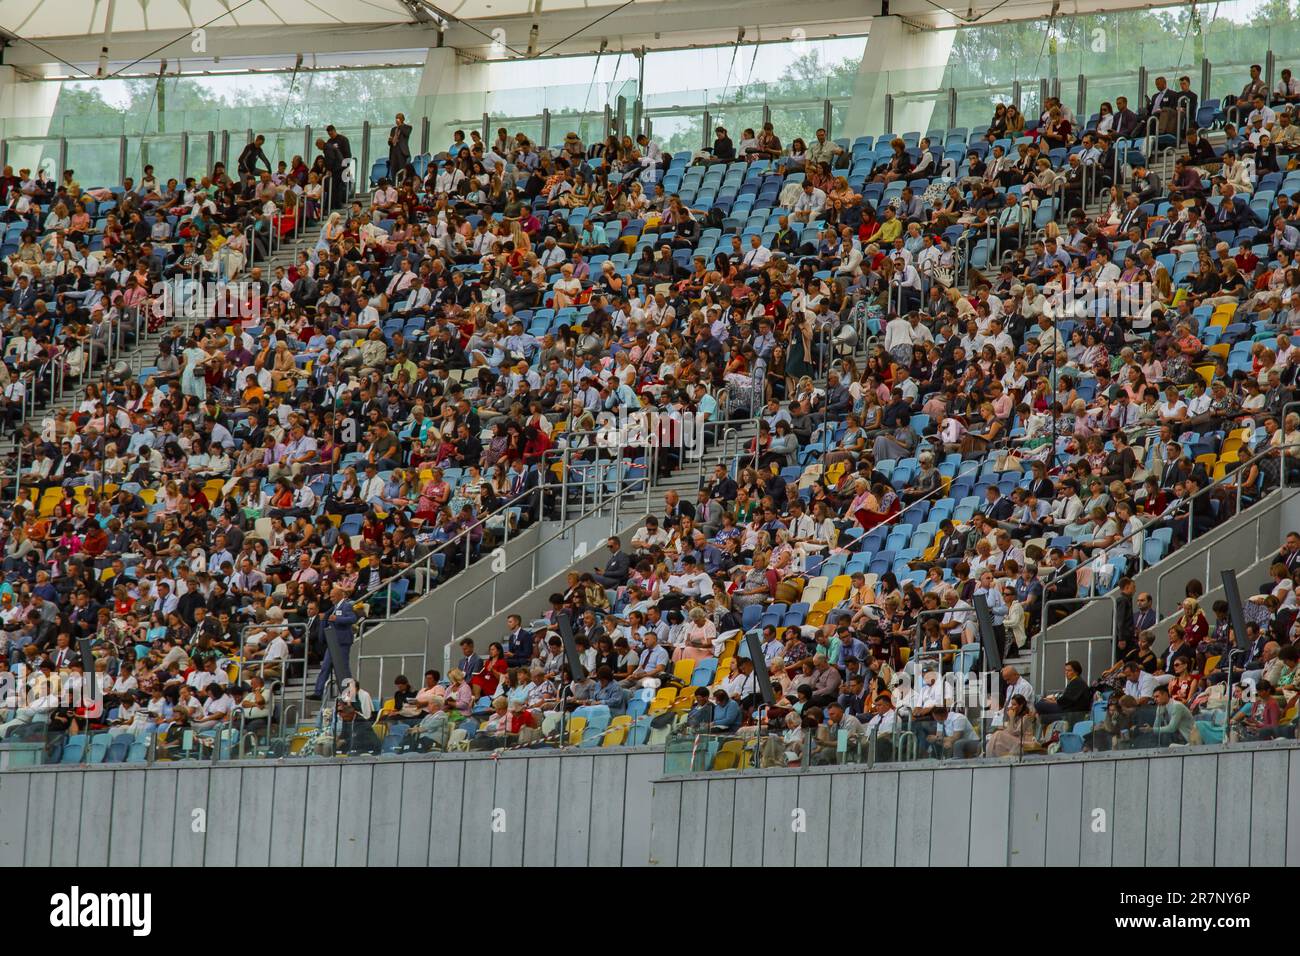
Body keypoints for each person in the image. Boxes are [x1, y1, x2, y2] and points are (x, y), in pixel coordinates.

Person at [310, 585, 358, 699]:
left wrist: (337, 619)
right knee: (325, 667)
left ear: (338, 595)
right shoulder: (334, 607)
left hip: (342, 641)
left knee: (344, 668)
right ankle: (318, 692)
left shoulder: (346, 606)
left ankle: (349, 694)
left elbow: (352, 619)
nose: (330, 599)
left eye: (332, 597)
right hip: (332, 642)